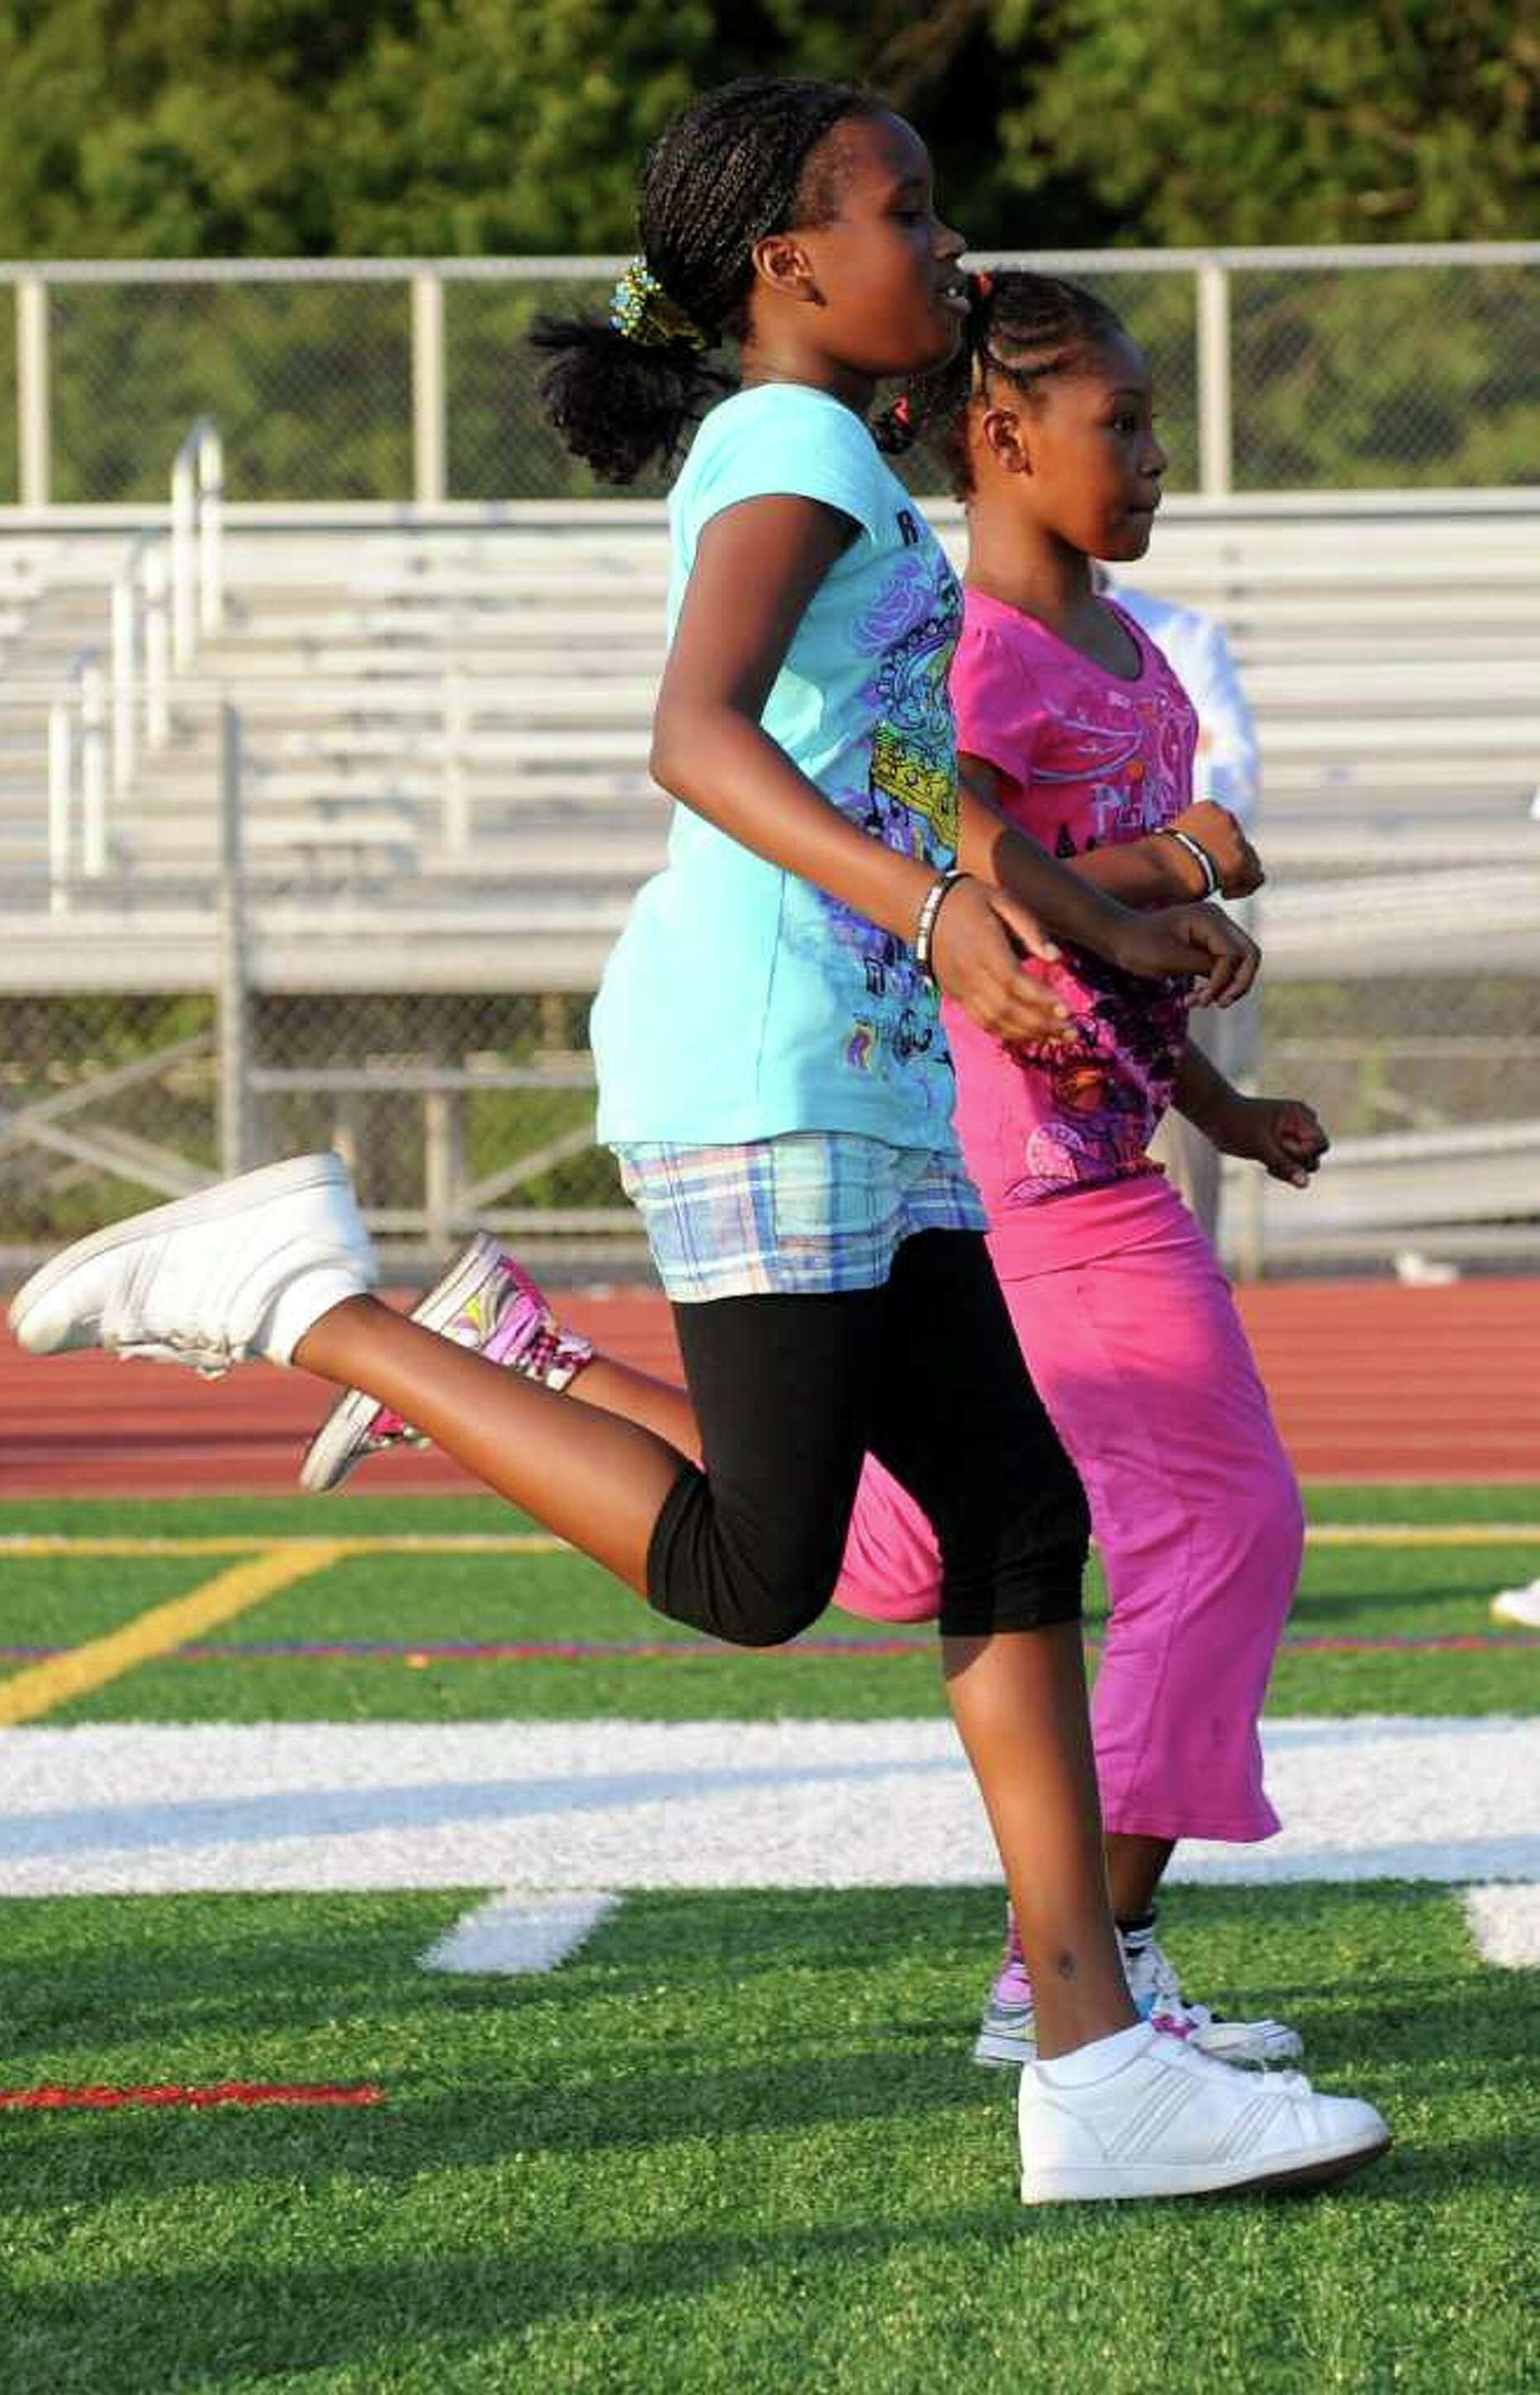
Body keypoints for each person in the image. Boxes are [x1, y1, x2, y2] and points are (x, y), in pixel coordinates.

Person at [10, 83, 1386, 2204]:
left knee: (1017, 1525)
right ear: (783, 266)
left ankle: (1094, 2060)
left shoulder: (841, 451)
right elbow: (699, 731)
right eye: (900, 209)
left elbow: (915, 783)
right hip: (761, 1066)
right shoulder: (790, 442)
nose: (942, 240)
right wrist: (946, 916)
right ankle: (320, 1310)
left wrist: (1084, 923)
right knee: (764, 1569)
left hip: (865, 1080)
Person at [304, 266, 1330, 2084]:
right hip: (930, 1124)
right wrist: (1143, 875)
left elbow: (1002, 858)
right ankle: (338, 1325)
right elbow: (864, 802)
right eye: (904, 212)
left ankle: (1086, 2021)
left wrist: (1195, 1058)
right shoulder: (827, 476)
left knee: (934, 1533)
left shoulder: (1041, 600)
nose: (1160, 458)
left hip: (947, 1116)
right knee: (1185, 1526)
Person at [1101, 567, 1265, 1245]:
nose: (1153, 458)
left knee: (1183, 1150)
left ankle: (1194, 1302)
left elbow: (1233, 783)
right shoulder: (974, 633)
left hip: (1175, 920)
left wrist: (1153, 849)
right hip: (1043, 932)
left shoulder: (1179, 635)